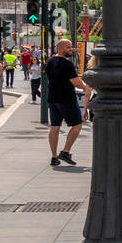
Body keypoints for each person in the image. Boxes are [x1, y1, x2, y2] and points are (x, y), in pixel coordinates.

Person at [45, 38, 88, 166]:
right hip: (66, 99)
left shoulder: (50, 62)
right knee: (77, 125)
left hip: (53, 98)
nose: (71, 50)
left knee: (55, 127)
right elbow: (76, 82)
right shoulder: (67, 64)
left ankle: (54, 157)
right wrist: (86, 88)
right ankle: (65, 151)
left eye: (71, 47)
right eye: (68, 47)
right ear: (60, 48)